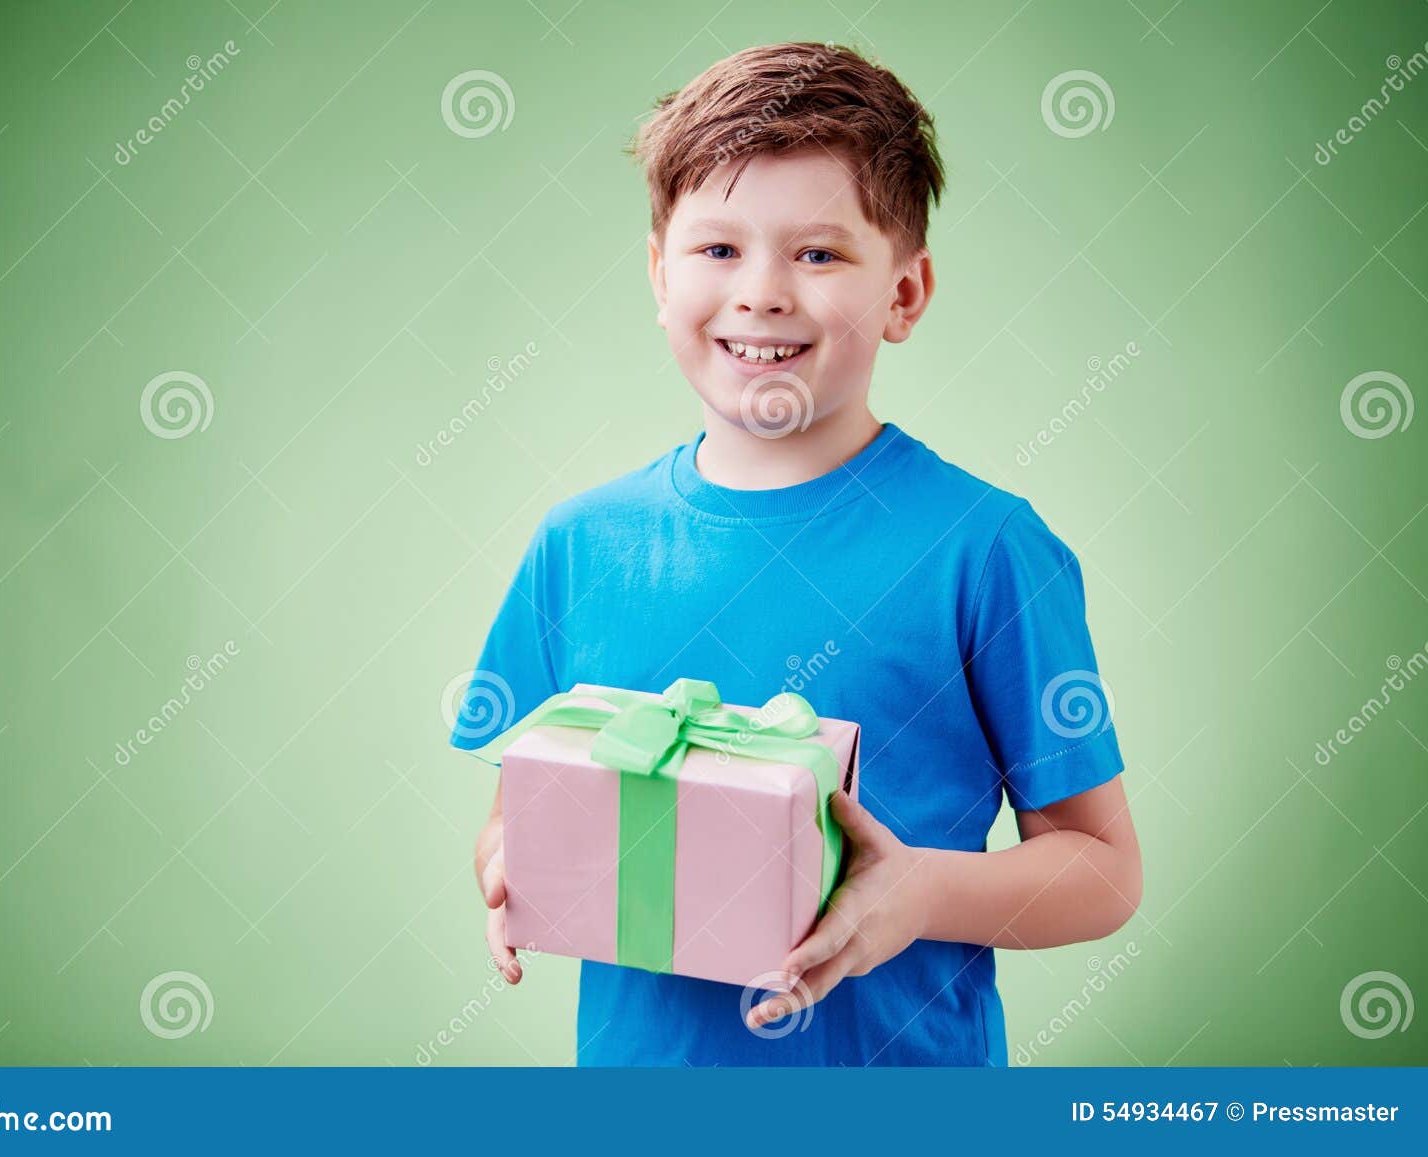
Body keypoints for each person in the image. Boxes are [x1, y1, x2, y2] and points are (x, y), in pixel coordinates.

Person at [449, 41, 1141, 1066]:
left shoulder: (985, 549)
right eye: (718, 249)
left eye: (817, 255)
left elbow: (1101, 870)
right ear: (657, 272)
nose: (762, 292)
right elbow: (514, 812)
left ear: (903, 294)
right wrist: (514, 865)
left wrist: (918, 892)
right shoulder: (578, 546)